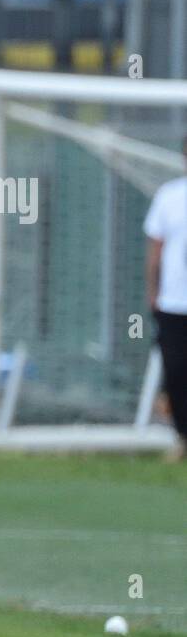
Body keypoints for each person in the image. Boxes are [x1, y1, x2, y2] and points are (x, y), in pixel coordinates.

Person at [144, 135, 187, 463]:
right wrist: (152, 292)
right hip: (174, 303)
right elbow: (155, 249)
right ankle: (182, 435)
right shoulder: (169, 196)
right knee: (175, 372)